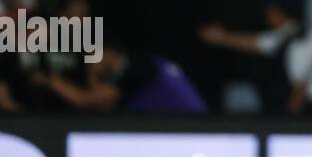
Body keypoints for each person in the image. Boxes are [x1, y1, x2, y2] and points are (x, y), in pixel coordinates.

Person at [36, 43, 208, 114]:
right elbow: (103, 107)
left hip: (193, 132)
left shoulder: (135, 68)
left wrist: (46, 79)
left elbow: (85, 100)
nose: (90, 63)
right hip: (184, 130)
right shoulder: (140, 62)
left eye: (92, 57)